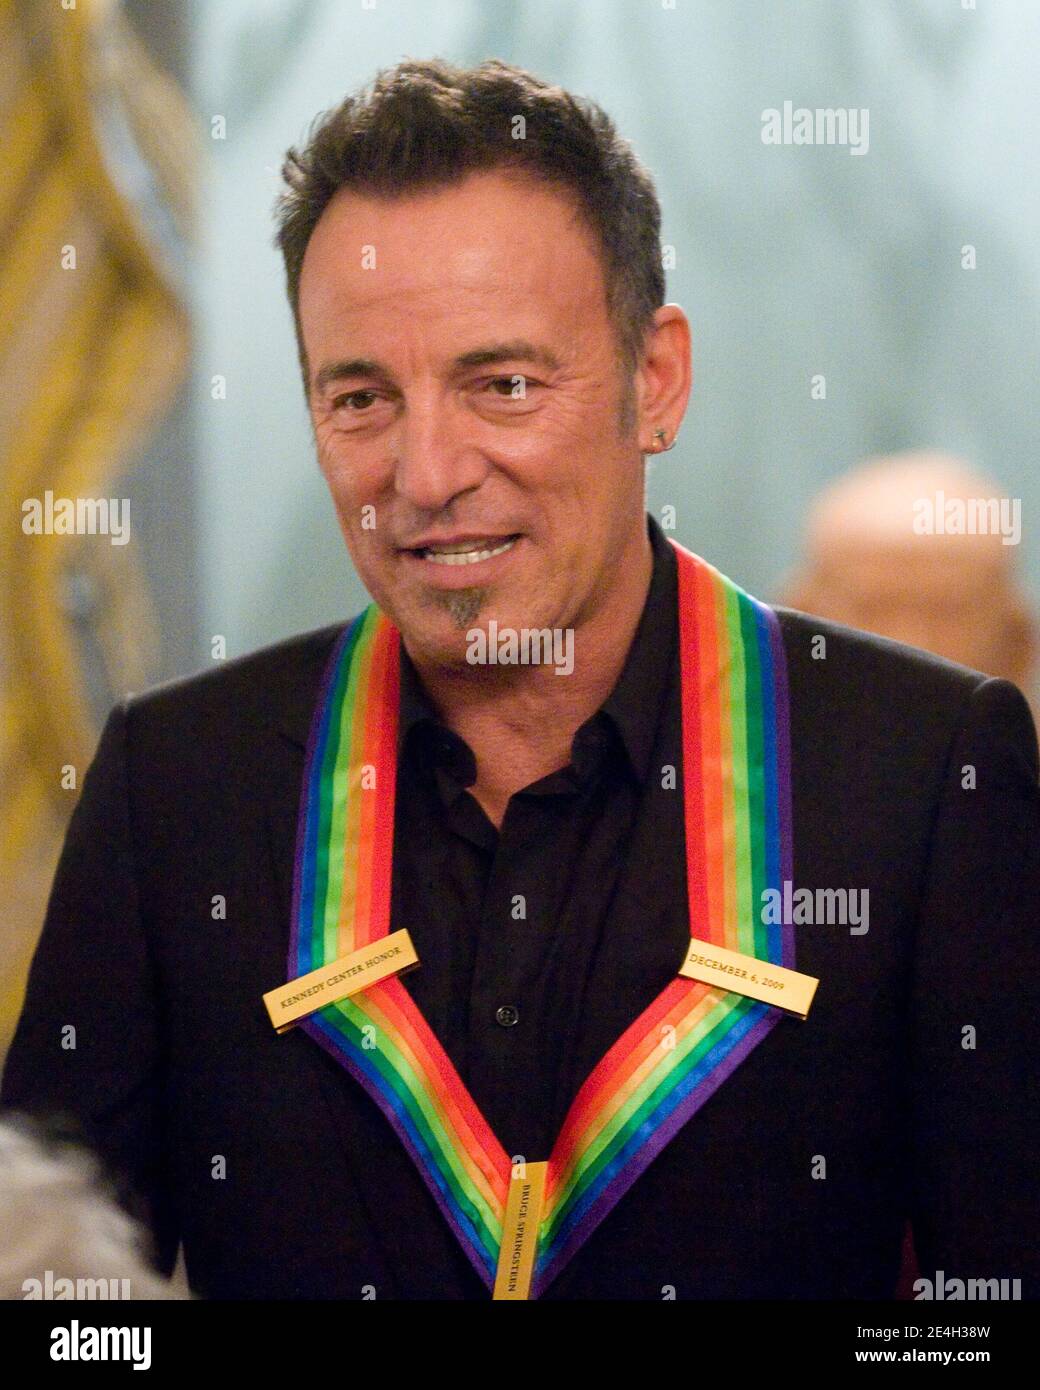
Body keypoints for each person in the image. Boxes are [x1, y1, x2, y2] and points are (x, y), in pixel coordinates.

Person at [3, 58, 1038, 1301]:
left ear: (653, 382)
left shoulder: (925, 771)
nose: (426, 470)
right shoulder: (175, 786)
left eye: (502, 384)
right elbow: (60, 1319)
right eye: (361, 397)